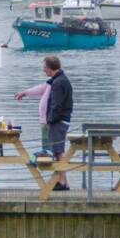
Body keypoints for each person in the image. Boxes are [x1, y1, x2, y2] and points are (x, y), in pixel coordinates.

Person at [40, 55, 73, 191]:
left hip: (58, 122)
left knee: (59, 152)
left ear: (49, 67)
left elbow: (56, 105)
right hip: (61, 120)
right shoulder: (60, 80)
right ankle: (62, 181)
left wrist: (50, 121)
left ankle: (63, 183)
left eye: (44, 67)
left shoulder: (59, 83)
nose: (43, 70)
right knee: (58, 152)